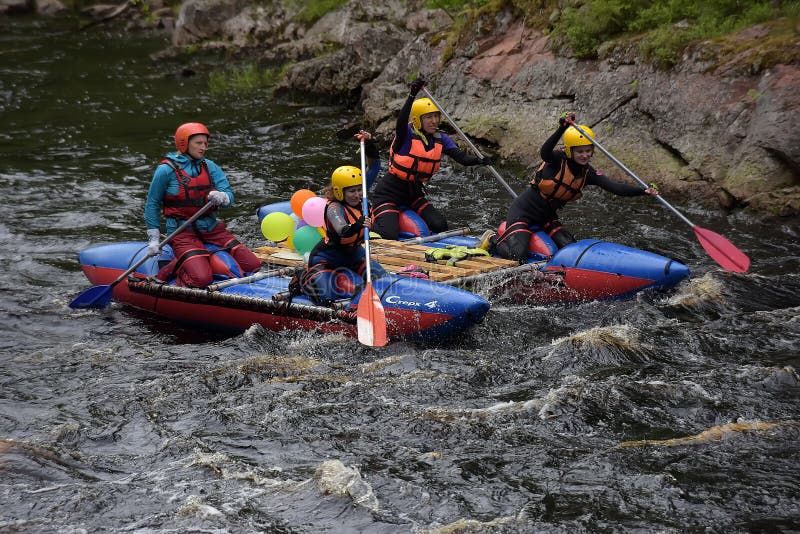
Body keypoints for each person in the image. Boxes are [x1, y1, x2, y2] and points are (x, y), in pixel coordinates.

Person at [484, 112, 659, 263]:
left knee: (570, 248)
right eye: (580, 151)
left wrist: (643, 191)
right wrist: (562, 127)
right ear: (570, 151)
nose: (585, 155)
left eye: (588, 151)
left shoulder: (587, 173)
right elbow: (544, 151)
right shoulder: (557, 160)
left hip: (546, 218)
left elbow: (615, 188)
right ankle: (493, 240)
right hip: (523, 213)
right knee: (518, 256)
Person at [371, 78, 493, 240]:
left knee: (440, 225)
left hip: (413, 194)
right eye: (429, 117)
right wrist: (412, 95)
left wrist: (480, 160)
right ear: (417, 119)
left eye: (436, 116)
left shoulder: (441, 139)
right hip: (388, 194)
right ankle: (372, 219)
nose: (434, 121)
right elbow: (401, 120)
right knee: (389, 234)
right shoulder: (405, 135)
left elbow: (461, 158)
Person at [144, 122, 262, 287]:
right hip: (182, 232)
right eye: (198, 143)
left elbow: (229, 195)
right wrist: (154, 238)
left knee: (253, 265)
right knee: (201, 279)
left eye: (205, 143)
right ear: (184, 143)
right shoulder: (165, 170)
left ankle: (191, 258)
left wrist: (223, 197)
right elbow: (152, 204)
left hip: (211, 229)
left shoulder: (209, 166)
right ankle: (171, 270)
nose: (203, 147)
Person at [300, 161, 388, 304]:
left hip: (354, 255)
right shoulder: (334, 208)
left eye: (359, 190)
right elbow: (342, 230)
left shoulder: (363, 202)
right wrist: (357, 224)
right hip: (327, 259)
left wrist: (370, 144)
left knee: (384, 281)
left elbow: (374, 166)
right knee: (326, 298)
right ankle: (302, 278)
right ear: (340, 192)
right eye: (352, 191)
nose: (357, 195)